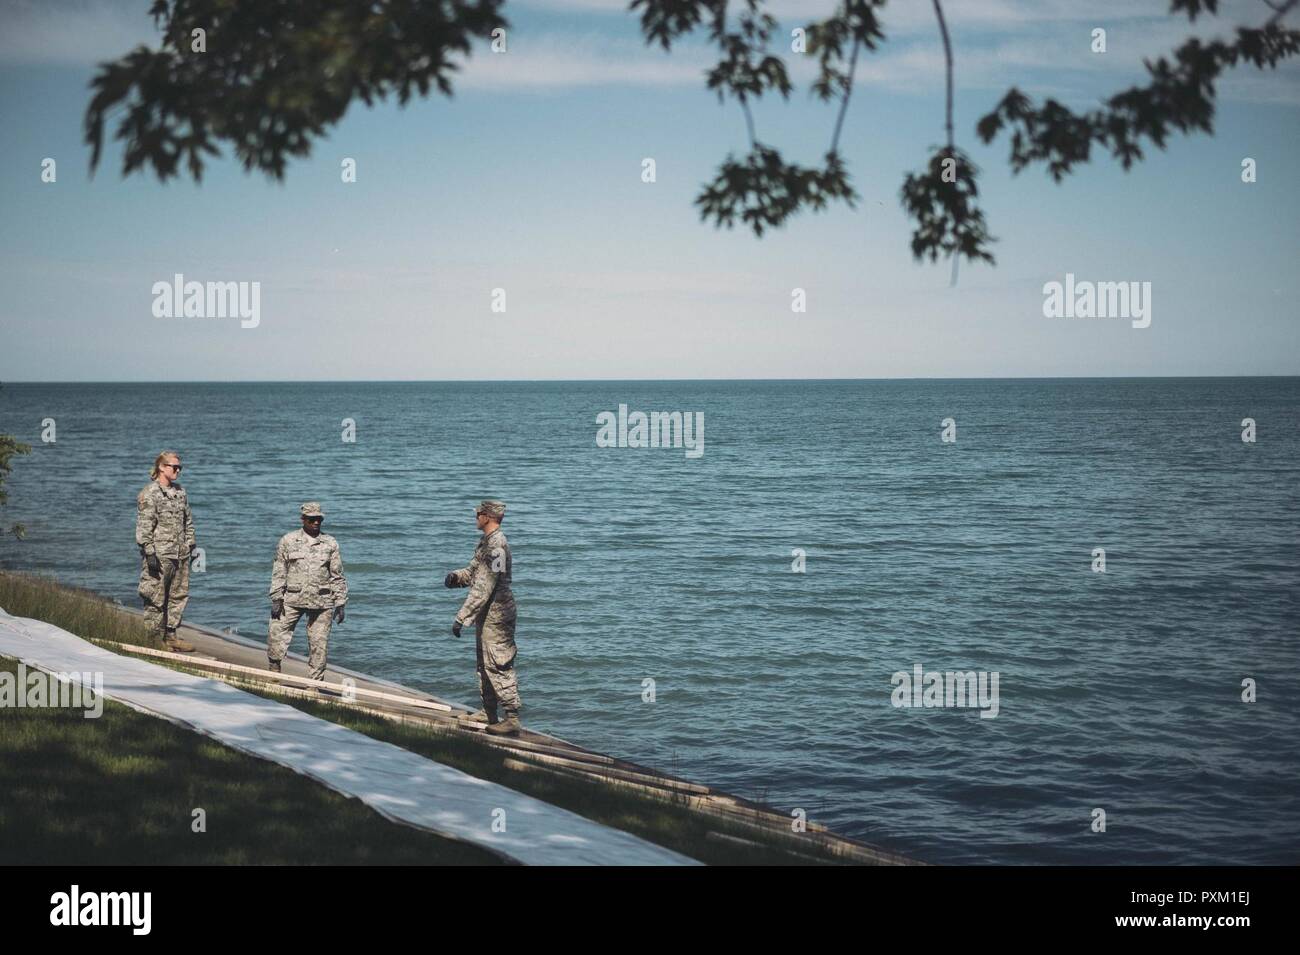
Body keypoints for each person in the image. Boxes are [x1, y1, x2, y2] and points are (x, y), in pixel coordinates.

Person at [444, 500, 522, 736]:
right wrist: (456, 578)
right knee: (483, 664)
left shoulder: (497, 545)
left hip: (498, 614)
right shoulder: (486, 542)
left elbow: (485, 585)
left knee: (498, 663)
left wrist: (462, 617)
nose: (475, 516)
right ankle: (489, 711)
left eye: (478, 513)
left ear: (487, 516)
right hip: (486, 614)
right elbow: (474, 573)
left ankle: (512, 717)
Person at [267, 502, 348, 680]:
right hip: (292, 598)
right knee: (276, 633)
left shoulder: (330, 543)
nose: (316, 522)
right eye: (312, 519)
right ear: (303, 519)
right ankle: (274, 671)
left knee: (319, 644)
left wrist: (341, 602)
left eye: (319, 519)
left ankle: (314, 685)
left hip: (322, 602)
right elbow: (279, 570)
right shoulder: (288, 540)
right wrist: (276, 598)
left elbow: (337, 575)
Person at [136, 450, 197, 652]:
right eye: (174, 467)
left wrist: (190, 543)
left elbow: (188, 520)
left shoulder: (180, 492)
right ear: (162, 467)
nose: (178, 470)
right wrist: (149, 551)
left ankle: (171, 635)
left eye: (180, 467)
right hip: (160, 554)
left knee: (178, 595)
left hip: (180, 554)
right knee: (155, 596)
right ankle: (153, 639)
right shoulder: (150, 493)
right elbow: (145, 525)